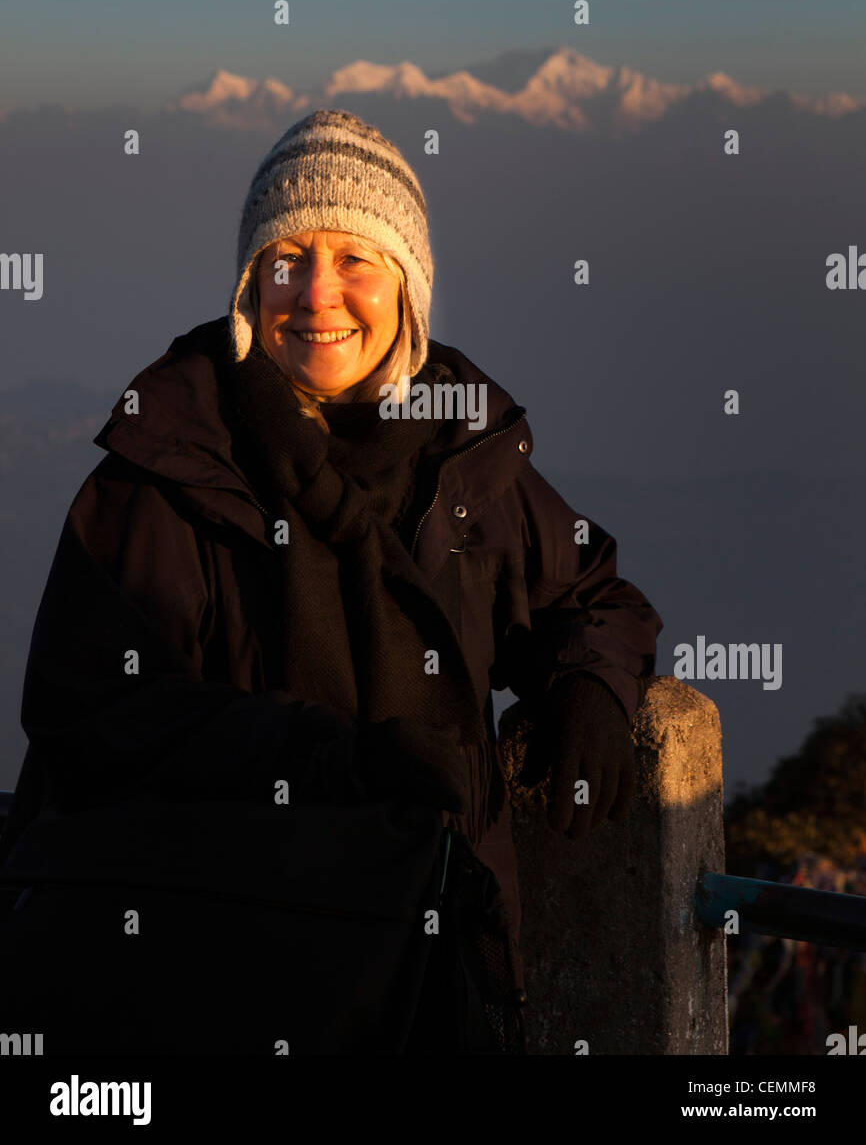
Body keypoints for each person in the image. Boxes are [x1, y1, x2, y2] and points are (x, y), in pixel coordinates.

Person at [0, 109, 663, 1055]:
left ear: (408, 285)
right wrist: (336, 760)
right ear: (247, 284)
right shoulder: (171, 467)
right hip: (228, 978)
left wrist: (592, 685)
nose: (317, 293)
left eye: (356, 258)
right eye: (287, 258)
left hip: (440, 981)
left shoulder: (461, 462)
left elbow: (593, 594)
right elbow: (93, 711)